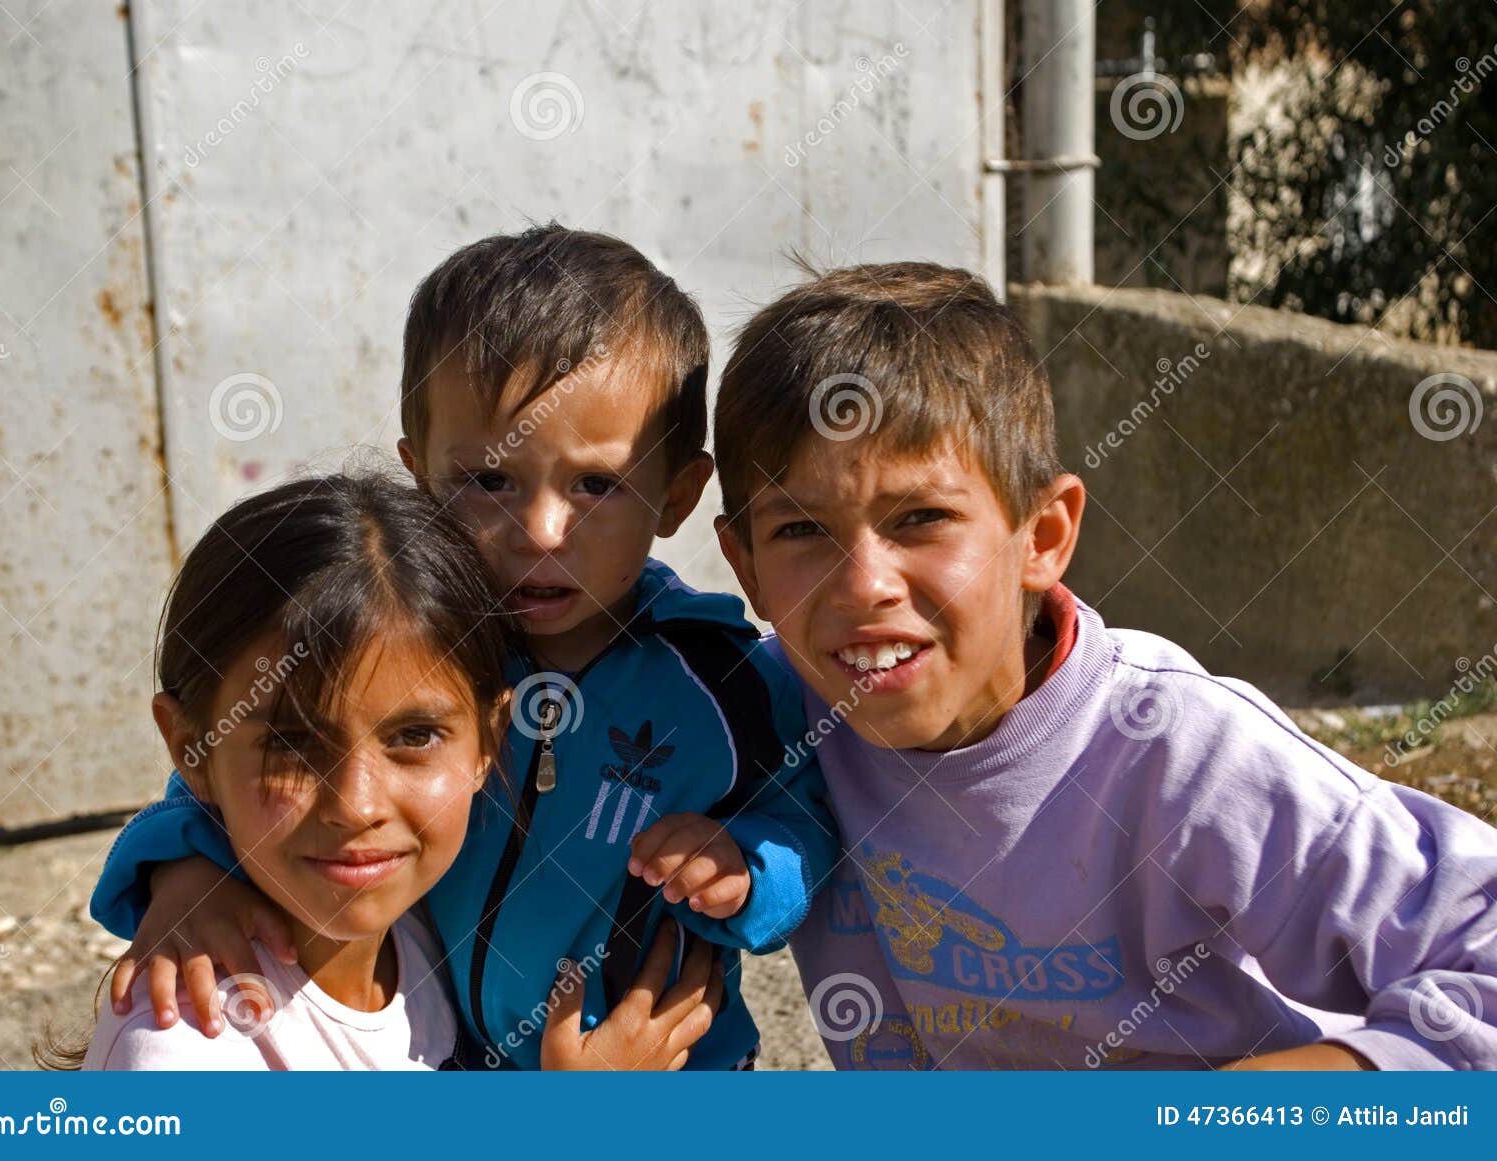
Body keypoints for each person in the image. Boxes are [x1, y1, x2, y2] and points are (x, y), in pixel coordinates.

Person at [710, 261, 1497, 1070]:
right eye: (802, 531)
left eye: (921, 518)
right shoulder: (755, 717)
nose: (863, 584)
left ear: (1042, 537)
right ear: (746, 567)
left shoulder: (1178, 750)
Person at [86, 226, 839, 1070]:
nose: (541, 532)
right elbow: (242, 761)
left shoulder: (721, 677)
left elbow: (807, 812)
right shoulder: (410, 643)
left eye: (596, 484)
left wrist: (748, 876)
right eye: (489, 481)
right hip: (442, 1054)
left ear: (678, 493)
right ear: (419, 474)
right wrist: (187, 875)